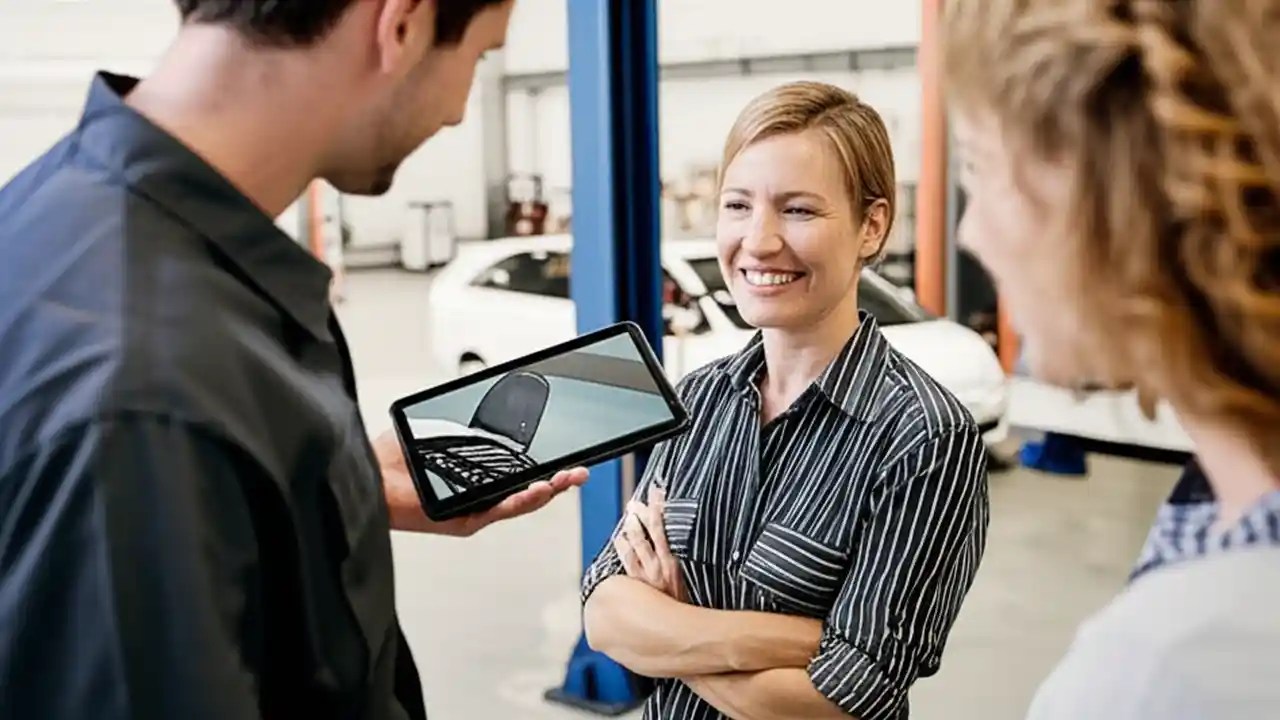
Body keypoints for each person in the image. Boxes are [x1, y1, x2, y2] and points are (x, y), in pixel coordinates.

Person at [0, 2, 589, 719]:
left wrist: (329, 492)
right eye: (478, 58)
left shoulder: (53, 220)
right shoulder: (152, 395)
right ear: (400, 24)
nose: (462, 111)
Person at [580, 81, 992, 720]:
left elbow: (849, 699)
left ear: (871, 226)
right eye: (738, 205)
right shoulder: (697, 402)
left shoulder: (925, 440)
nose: (760, 241)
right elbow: (605, 614)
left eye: (798, 210)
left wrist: (671, 627)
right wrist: (783, 641)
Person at [942, 0, 1280, 716]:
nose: (971, 233)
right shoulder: (1218, 509)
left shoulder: (1175, 670)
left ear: (1104, 183)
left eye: (979, 164)